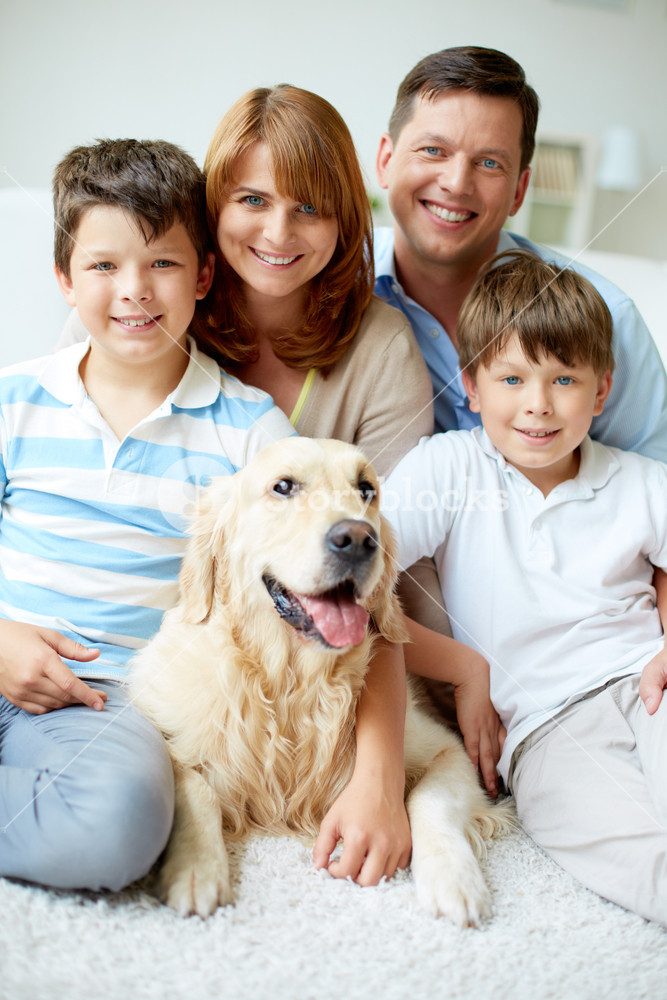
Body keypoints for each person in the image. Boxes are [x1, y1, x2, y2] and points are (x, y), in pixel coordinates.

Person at [55, 87, 438, 885]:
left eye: (310, 207)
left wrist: (377, 779)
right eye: (252, 200)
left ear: (345, 219)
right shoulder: (143, 302)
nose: (277, 232)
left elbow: (374, 573)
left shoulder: (382, 350)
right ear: (213, 207)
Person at [0, 138, 296, 893]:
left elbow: (295, 570)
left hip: (100, 702)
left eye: (161, 262)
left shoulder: (250, 432)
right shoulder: (14, 399)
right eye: (103, 265)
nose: (133, 289)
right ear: (65, 279)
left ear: (203, 276)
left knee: (119, 824)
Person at [382, 249, 667, 925]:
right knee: (637, 857)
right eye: (511, 378)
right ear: (471, 387)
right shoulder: (449, 467)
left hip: (647, 684)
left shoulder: (640, 480)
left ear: (601, 391)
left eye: (564, 379)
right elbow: (355, 587)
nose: (537, 404)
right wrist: (461, 668)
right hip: (546, 730)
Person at [374, 45, 667, 461]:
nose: (456, 183)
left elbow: (654, 480)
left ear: (520, 190)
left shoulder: (608, 319)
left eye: (489, 163)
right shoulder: (322, 285)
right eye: (433, 151)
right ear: (386, 161)